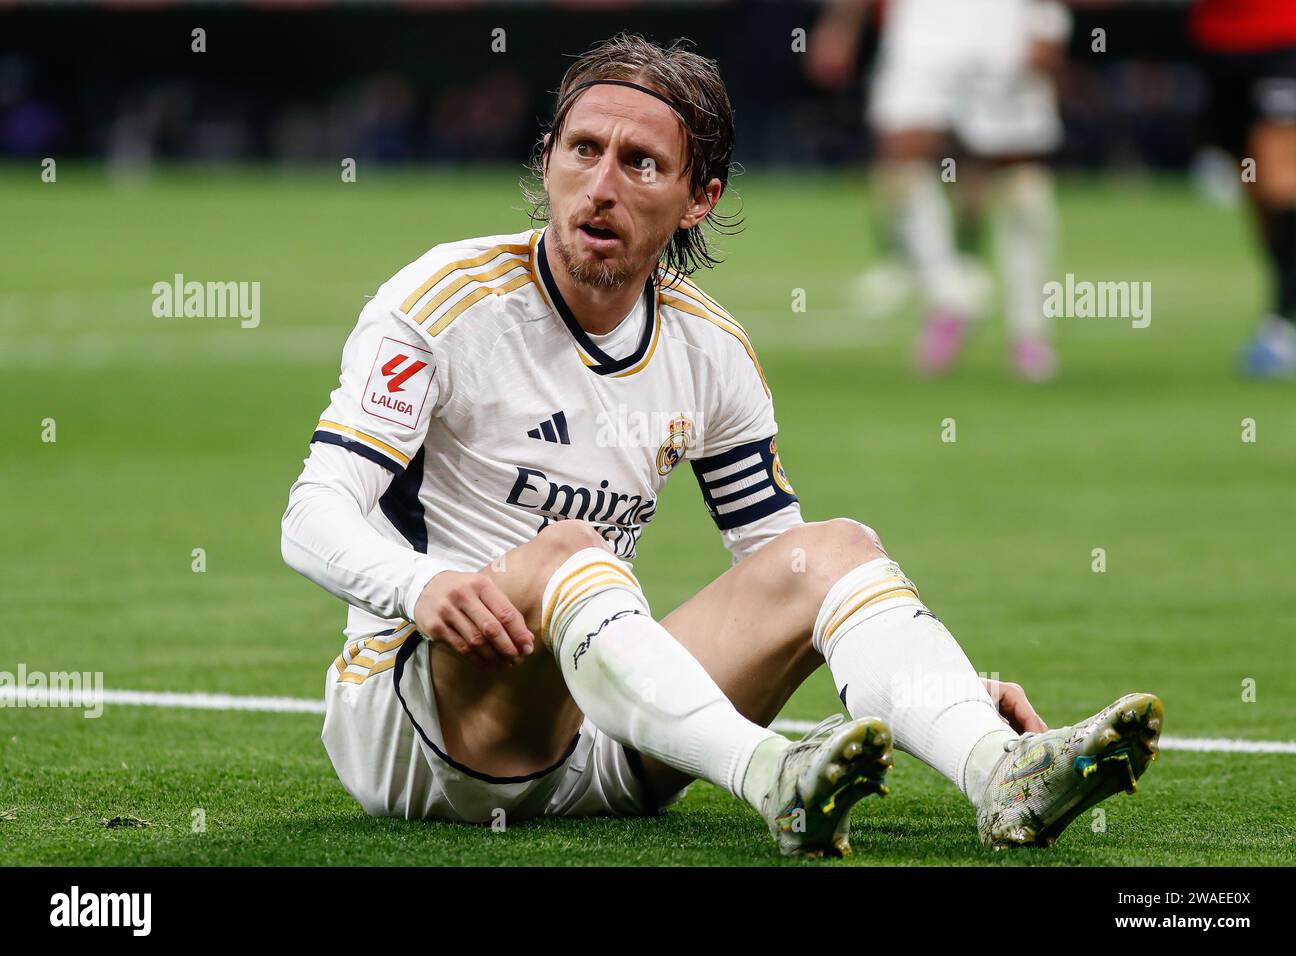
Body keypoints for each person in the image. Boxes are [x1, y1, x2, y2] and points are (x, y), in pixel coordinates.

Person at [281, 33, 1162, 856]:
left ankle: (1001, 772)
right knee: (570, 553)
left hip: (602, 740)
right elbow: (312, 513)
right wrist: (422, 584)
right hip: (422, 729)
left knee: (835, 551)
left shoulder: (711, 349)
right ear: (546, 158)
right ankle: (771, 774)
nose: (601, 186)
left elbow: (782, 575)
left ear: (700, 197)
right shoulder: (444, 302)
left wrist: (957, 691)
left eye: (641, 164)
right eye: (583, 150)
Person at [809, 0, 1071, 381]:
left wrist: (1050, 23)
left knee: (1019, 179)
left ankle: (1029, 332)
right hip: (924, 25)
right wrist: (841, 24)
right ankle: (949, 296)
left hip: (1003, 21)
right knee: (900, 157)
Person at [1193, 0, 1296, 377]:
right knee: (1254, 185)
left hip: (1286, 38)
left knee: (1277, 175)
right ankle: (1284, 310)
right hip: (1219, 45)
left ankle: (1282, 325)